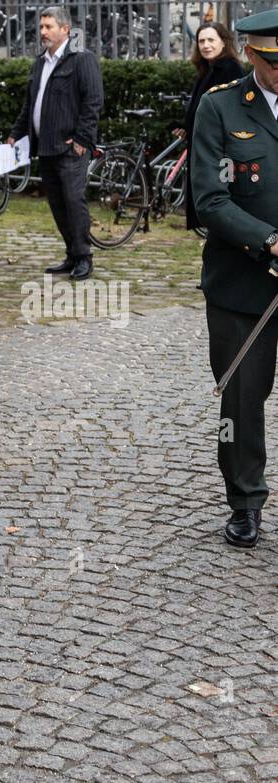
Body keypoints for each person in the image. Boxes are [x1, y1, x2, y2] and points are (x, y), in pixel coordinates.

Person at [191, 9, 278, 548]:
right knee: (243, 397)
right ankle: (245, 501)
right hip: (243, 283)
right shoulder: (220, 108)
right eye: (274, 62)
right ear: (250, 54)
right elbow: (208, 199)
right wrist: (269, 240)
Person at [7, 6, 103, 280]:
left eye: (49, 27)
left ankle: (84, 256)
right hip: (45, 146)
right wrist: (16, 133)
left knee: (74, 200)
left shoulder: (82, 60)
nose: (43, 32)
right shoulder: (41, 62)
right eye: (41, 27)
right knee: (58, 204)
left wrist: (83, 139)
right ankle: (71, 253)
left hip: (70, 147)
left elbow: (93, 101)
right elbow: (30, 104)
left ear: (65, 30)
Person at [174, 21, 246, 233]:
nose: (205, 45)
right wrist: (187, 125)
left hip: (220, 151)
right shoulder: (207, 70)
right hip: (205, 147)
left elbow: (232, 112)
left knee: (218, 206)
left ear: (223, 42)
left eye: (211, 40)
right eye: (201, 41)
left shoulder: (229, 69)